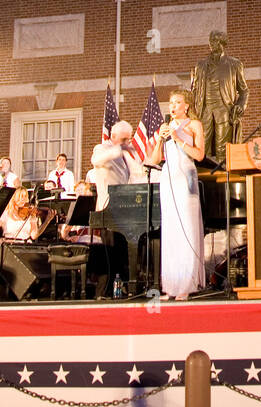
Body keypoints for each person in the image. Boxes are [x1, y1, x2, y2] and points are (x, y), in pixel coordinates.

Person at [146, 89, 206, 301]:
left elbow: (199, 155)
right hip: (168, 178)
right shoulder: (166, 127)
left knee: (186, 229)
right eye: (171, 103)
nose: (172, 106)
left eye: (177, 102)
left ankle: (187, 285)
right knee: (171, 232)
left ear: (186, 106)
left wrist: (177, 138)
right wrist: (162, 140)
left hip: (186, 178)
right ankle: (170, 286)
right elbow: (154, 160)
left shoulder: (193, 125)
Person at [190, 30, 249, 164]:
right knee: (202, 148)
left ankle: (224, 179)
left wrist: (240, 105)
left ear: (223, 43)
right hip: (204, 110)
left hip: (224, 109)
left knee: (223, 151)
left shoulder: (234, 64)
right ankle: (202, 179)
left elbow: (244, 91)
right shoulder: (200, 65)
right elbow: (194, 90)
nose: (212, 43)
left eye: (215, 40)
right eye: (211, 40)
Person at [90, 121, 144, 210]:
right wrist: (119, 149)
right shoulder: (102, 148)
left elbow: (138, 173)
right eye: (123, 139)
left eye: (128, 139)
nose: (126, 142)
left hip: (124, 204)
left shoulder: (125, 153)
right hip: (107, 206)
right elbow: (95, 160)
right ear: (113, 136)